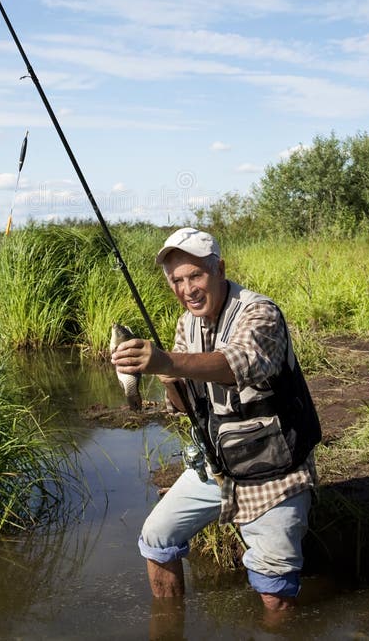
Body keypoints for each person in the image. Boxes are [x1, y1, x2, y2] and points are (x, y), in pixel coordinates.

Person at [111, 227, 321, 614]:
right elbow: (181, 403)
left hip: (275, 472)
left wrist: (165, 360)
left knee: (274, 591)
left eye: (195, 276)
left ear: (219, 269)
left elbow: (238, 364)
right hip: (218, 464)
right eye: (177, 280)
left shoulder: (260, 312)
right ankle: (170, 626)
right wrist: (167, 379)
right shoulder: (185, 325)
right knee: (156, 539)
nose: (187, 288)